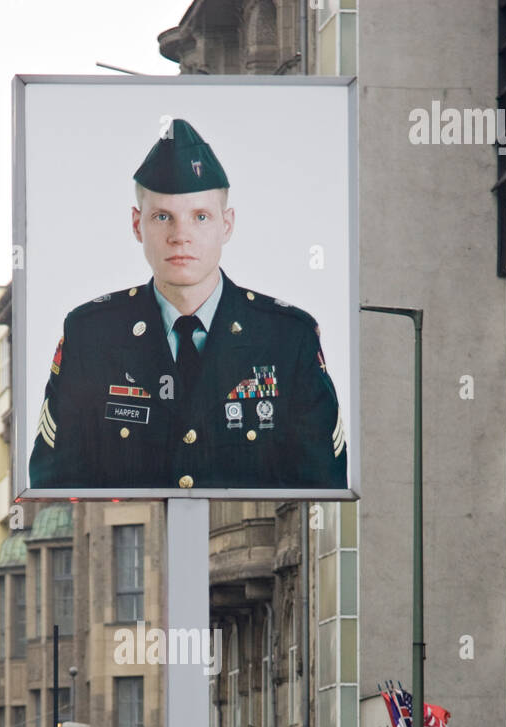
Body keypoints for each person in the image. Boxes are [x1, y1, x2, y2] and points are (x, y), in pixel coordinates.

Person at [28, 119, 347, 494]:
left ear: (226, 225)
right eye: (163, 217)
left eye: (200, 217)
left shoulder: (287, 337)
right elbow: (55, 483)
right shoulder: (91, 334)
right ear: (137, 225)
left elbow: (324, 485)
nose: (180, 236)